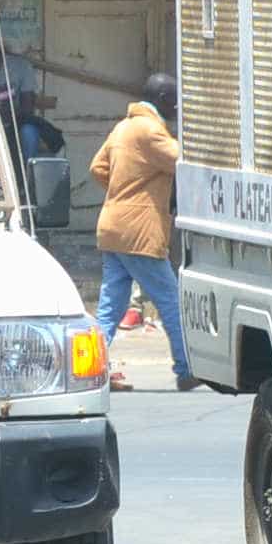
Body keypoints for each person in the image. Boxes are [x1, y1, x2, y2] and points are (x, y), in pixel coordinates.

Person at [88, 75, 191, 391]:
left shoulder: (122, 127)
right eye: (174, 98)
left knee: (110, 307)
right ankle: (186, 368)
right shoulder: (149, 130)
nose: (176, 105)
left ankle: (91, 374)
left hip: (113, 226)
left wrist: (122, 193)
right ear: (161, 97)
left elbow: (97, 167)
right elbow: (182, 161)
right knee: (171, 300)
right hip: (138, 233)